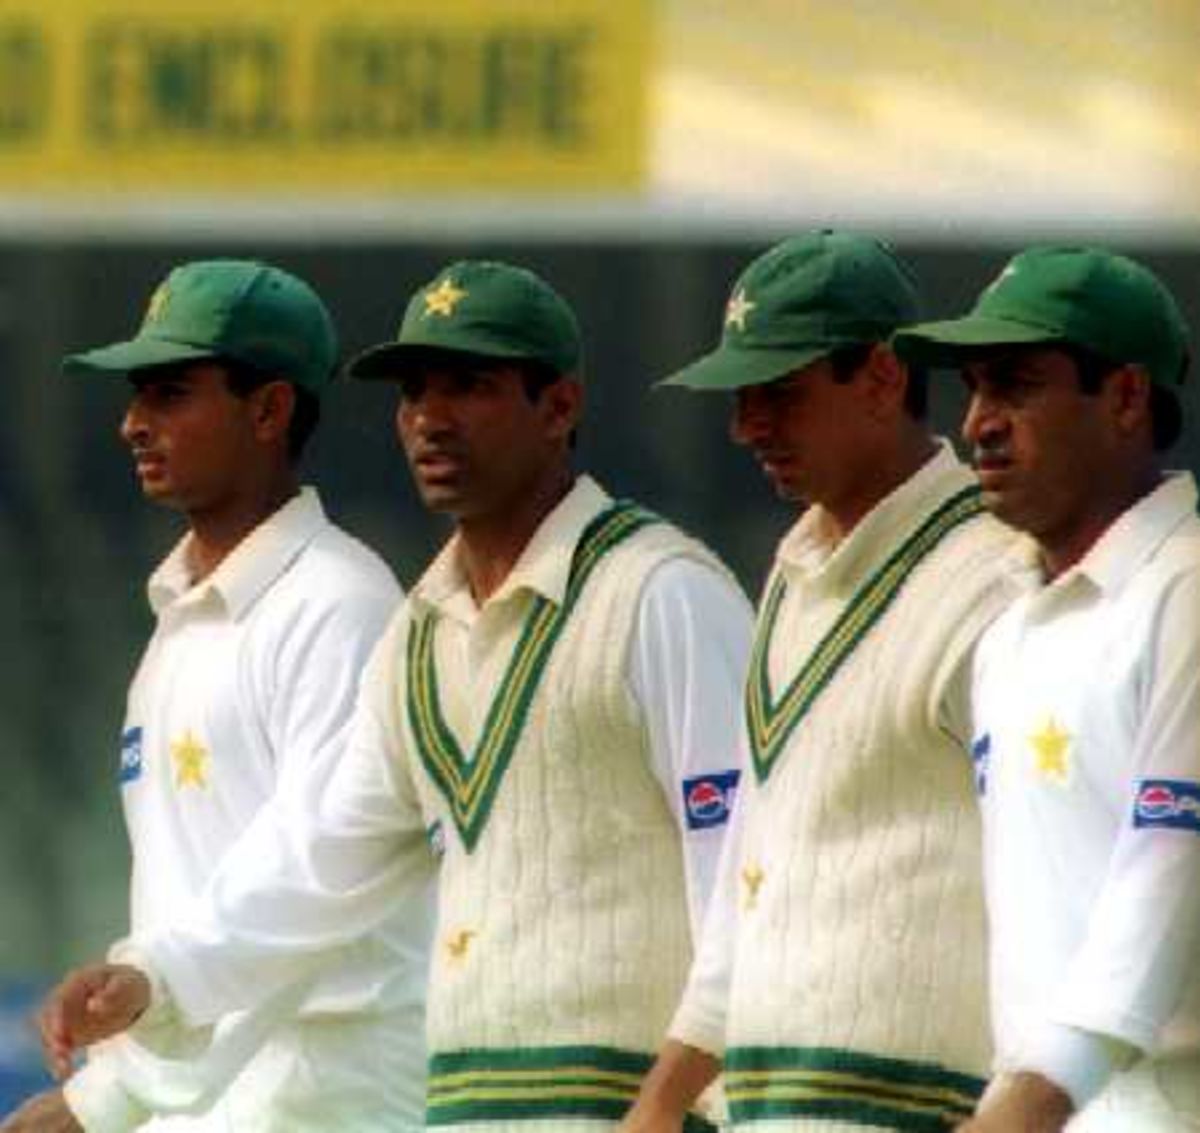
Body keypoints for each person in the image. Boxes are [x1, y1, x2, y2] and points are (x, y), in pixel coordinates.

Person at [37, 259, 754, 1131]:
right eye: (414, 391)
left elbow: (744, 874)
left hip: (614, 1102)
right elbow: (328, 849)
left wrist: (672, 1099)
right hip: (470, 1102)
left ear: (560, 405)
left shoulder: (662, 594)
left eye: (470, 386)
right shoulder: (421, 631)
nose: (430, 418)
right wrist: (156, 975)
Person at [1, 260, 429, 1132]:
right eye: (136, 395)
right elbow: (194, 892)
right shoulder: (182, 618)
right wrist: (119, 1086)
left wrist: (104, 1092)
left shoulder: (338, 603)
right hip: (213, 1098)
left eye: (169, 394)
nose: (132, 423)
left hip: (325, 1098)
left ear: (269, 410)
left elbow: (321, 863)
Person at [621, 230, 1019, 1131]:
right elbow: (749, 873)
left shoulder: (995, 573)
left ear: (880, 378)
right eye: (741, 397)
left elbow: (1050, 873)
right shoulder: (794, 571)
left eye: (780, 393)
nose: (747, 426)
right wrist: (662, 1100)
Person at [892, 246, 1200, 1131]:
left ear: (1127, 397)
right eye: (973, 389)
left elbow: (1171, 867)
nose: (977, 424)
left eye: (1017, 386)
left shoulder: (1183, 589)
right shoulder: (1011, 627)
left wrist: (1037, 1095)